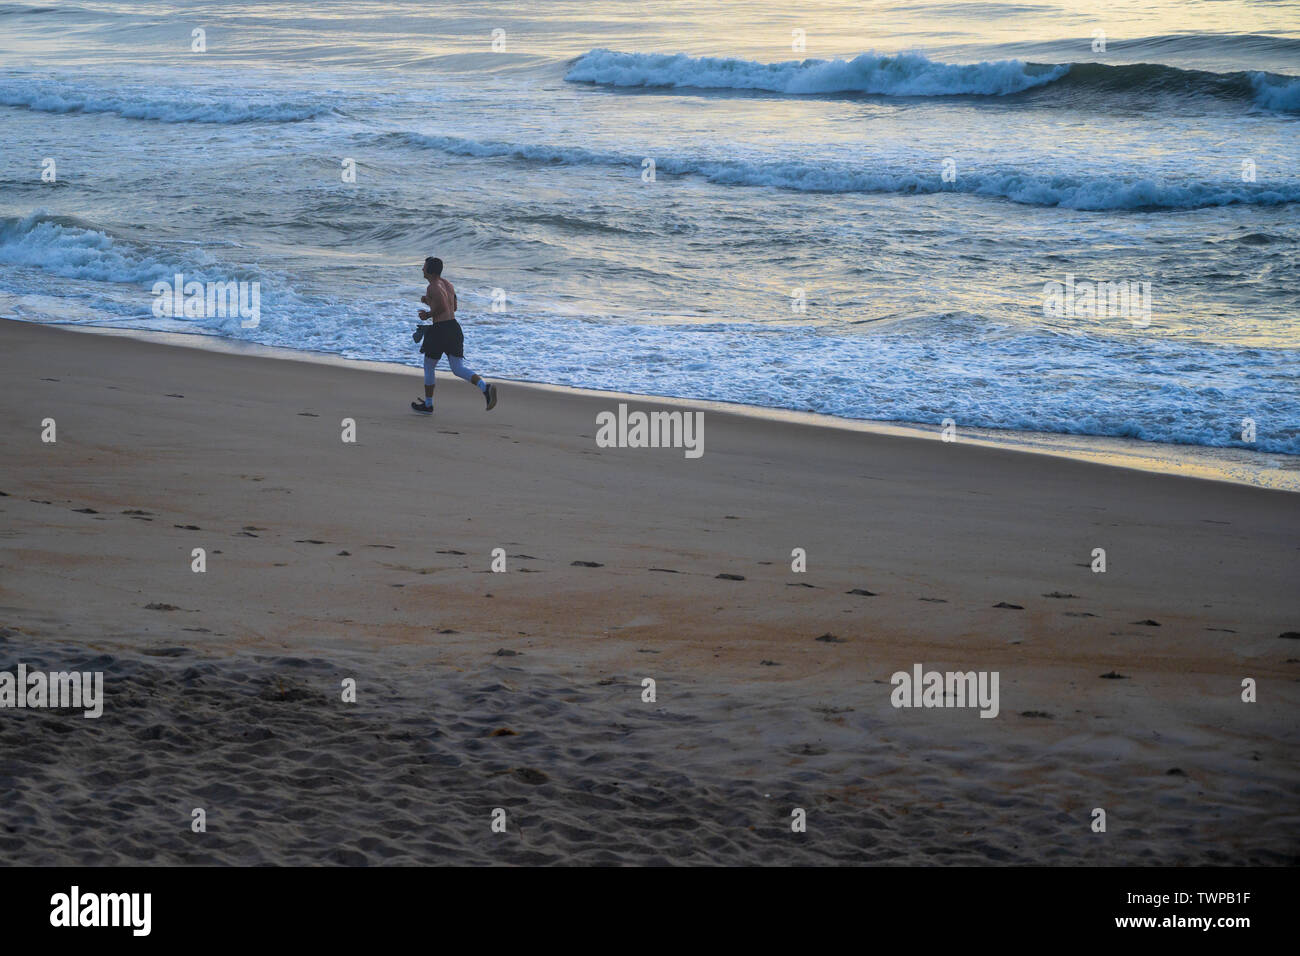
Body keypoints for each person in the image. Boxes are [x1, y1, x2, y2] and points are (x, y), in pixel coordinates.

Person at [411, 257, 497, 414]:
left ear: (430, 270)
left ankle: (428, 405)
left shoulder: (432, 287)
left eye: (424, 267)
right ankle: (485, 387)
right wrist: (430, 302)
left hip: (440, 330)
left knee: (429, 365)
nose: (422, 269)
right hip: (454, 328)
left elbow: (442, 306)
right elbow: (453, 306)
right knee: (457, 368)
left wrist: (428, 314)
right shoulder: (447, 284)